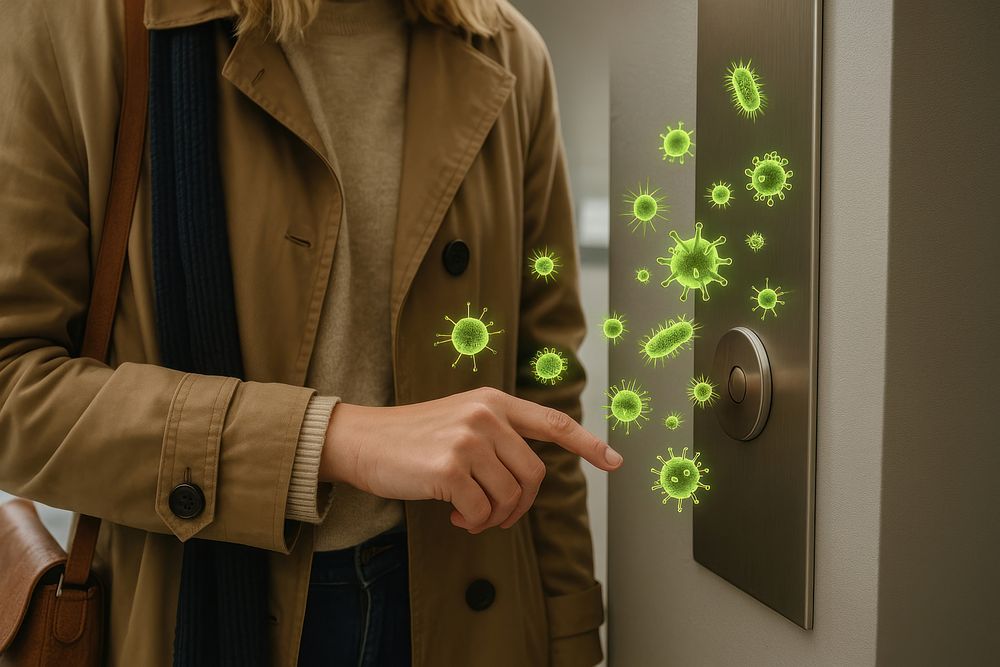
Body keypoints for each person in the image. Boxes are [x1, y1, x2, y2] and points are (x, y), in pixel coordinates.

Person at [0, 0, 621, 665]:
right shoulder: (75, 22)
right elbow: (14, 382)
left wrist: (572, 637)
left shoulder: (507, 51)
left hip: (468, 614)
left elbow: (545, 394)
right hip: (197, 610)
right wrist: (324, 439)